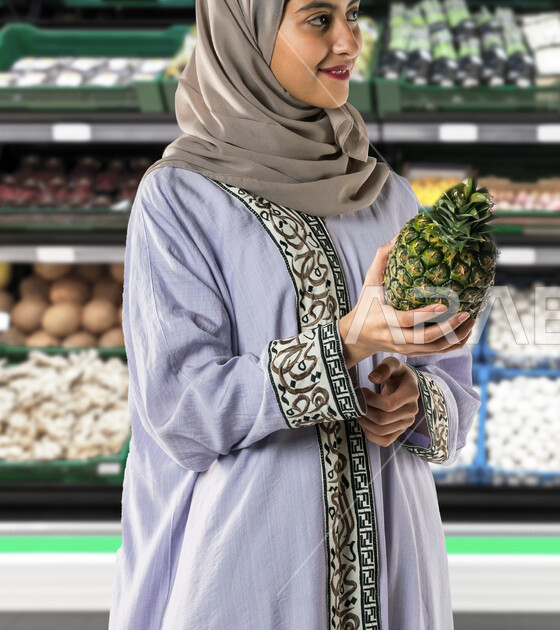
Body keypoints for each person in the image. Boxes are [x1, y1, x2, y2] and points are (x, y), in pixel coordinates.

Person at [109, 0, 479, 628]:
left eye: (353, 15)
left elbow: (456, 385)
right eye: (317, 20)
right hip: (245, 571)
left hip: (393, 563)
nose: (348, 41)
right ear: (244, 36)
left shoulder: (384, 194)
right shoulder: (179, 199)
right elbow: (180, 409)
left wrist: (416, 399)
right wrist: (342, 346)